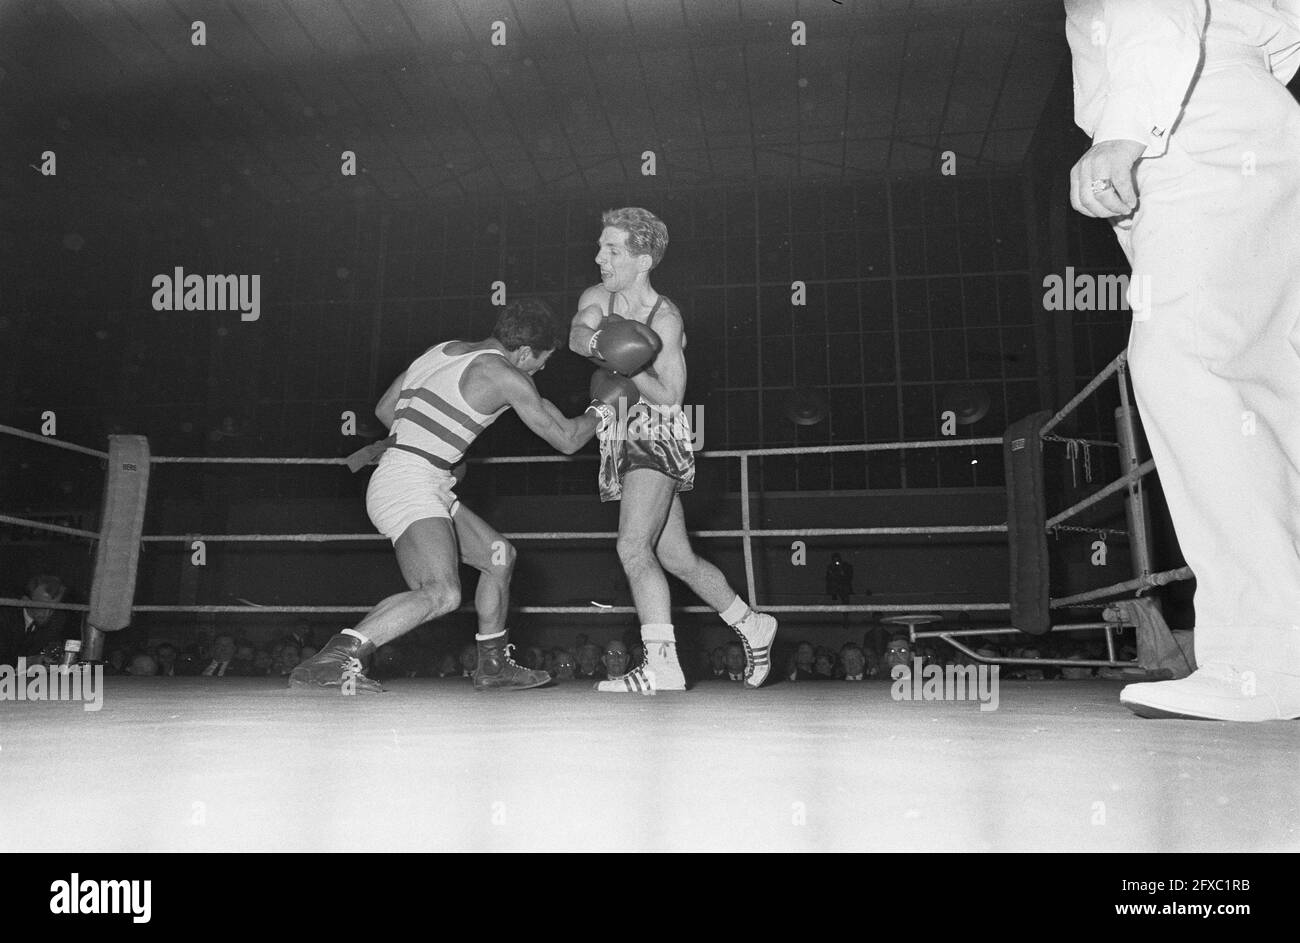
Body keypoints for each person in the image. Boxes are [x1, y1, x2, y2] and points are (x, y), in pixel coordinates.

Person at [1066, 0, 1300, 720]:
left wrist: (1130, 126)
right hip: (1224, 102)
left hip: (1190, 110)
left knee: (1184, 362)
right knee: (1261, 388)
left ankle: (1266, 658)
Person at [290, 299, 610, 694]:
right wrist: (606, 407)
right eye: (541, 360)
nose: (541, 369)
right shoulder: (505, 374)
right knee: (441, 592)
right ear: (524, 351)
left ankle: (492, 665)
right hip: (409, 483)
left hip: (414, 475)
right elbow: (567, 439)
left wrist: (434, 446)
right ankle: (335, 658)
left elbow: (386, 408)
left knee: (498, 556)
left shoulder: (442, 350)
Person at [569, 207, 778, 693]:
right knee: (678, 557)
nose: (599, 256)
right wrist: (608, 343)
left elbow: (670, 397)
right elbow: (579, 336)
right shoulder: (599, 295)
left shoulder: (665, 317)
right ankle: (751, 624)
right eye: (600, 246)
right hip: (618, 430)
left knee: (632, 546)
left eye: (612, 249)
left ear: (642, 260)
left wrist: (634, 363)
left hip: (655, 431)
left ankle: (662, 663)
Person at [0, 574, 72, 668]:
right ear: (25, 601)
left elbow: (53, 653)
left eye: (54, 608)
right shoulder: (4, 617)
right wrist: (27, 663)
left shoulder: (57, 619)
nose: (47, 614)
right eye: (42, 606)